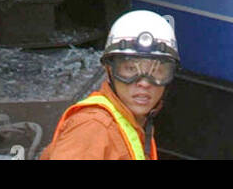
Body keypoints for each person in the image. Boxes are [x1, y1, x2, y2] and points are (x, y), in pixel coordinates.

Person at [41, 10, 179, 160]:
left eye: (157, 71)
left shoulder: (134, 123)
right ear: (109, 71)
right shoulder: (93, 126)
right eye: (131, 69)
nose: (144, 83)